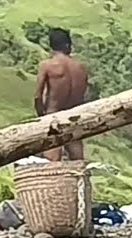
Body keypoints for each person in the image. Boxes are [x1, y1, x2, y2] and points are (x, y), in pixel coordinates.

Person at [34, 28, 90, 162]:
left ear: (51, 45)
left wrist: (41, 116)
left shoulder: (48, 66)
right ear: (68, 45)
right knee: (77, 161)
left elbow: (37, 96)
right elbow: (84, 95)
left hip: (53, 116)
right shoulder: (80, 68)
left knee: (52, 163)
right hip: (75, 116)